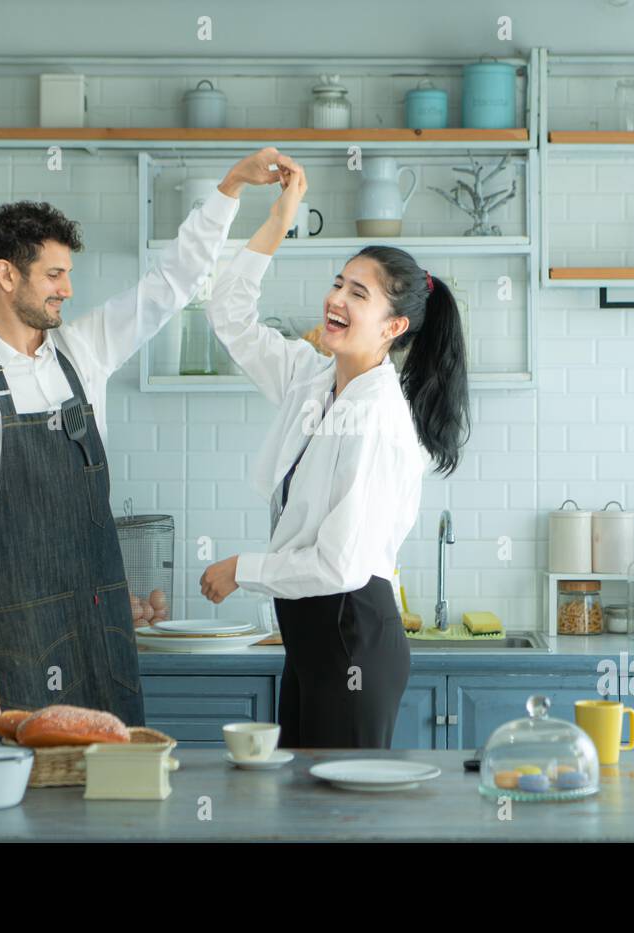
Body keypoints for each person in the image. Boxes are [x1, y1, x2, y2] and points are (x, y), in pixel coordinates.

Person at [0, 148, 284, 732]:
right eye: (54, 275)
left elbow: (173, 281)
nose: (67, 290)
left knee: (113, 791)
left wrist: (230, 188)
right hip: (13, 632)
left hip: (99, 624)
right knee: (25, 796)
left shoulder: (83, 352)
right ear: (6, 275)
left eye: (69, 275)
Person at [199, 155, 471, 748]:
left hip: (353, 640)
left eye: (360, 294)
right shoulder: (312, 376)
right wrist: (279, 215)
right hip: (312, 637)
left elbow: (339, 565)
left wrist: (242, 570)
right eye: (338, 284)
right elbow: (229, 315)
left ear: (393, 327)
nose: (338, 300)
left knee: (340, 822)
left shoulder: (375, 417)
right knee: (304, 816)